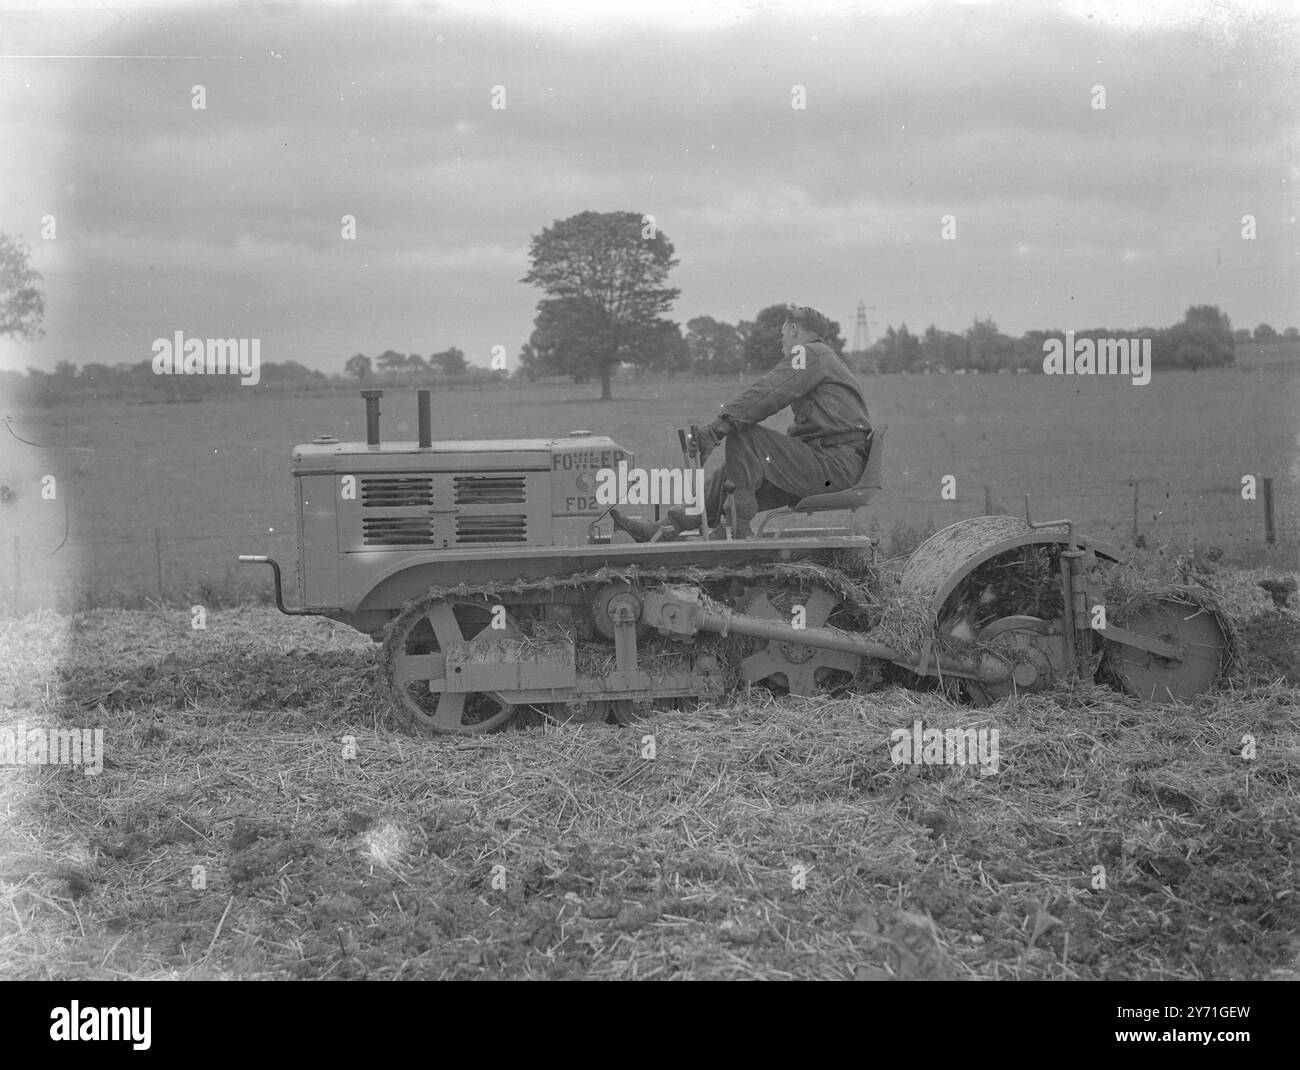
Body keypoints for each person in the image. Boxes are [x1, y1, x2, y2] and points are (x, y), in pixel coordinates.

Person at [612, 305, 872, 541]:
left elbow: (767, 393)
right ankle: (668, 527)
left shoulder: (809, 354)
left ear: (793, 329)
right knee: (737, 463)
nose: (781, 340)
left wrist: (714, 432)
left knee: (746, 437)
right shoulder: (822, 357)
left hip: (834, 466)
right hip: (832, 463)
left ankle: (738, 529)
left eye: (782, 333)